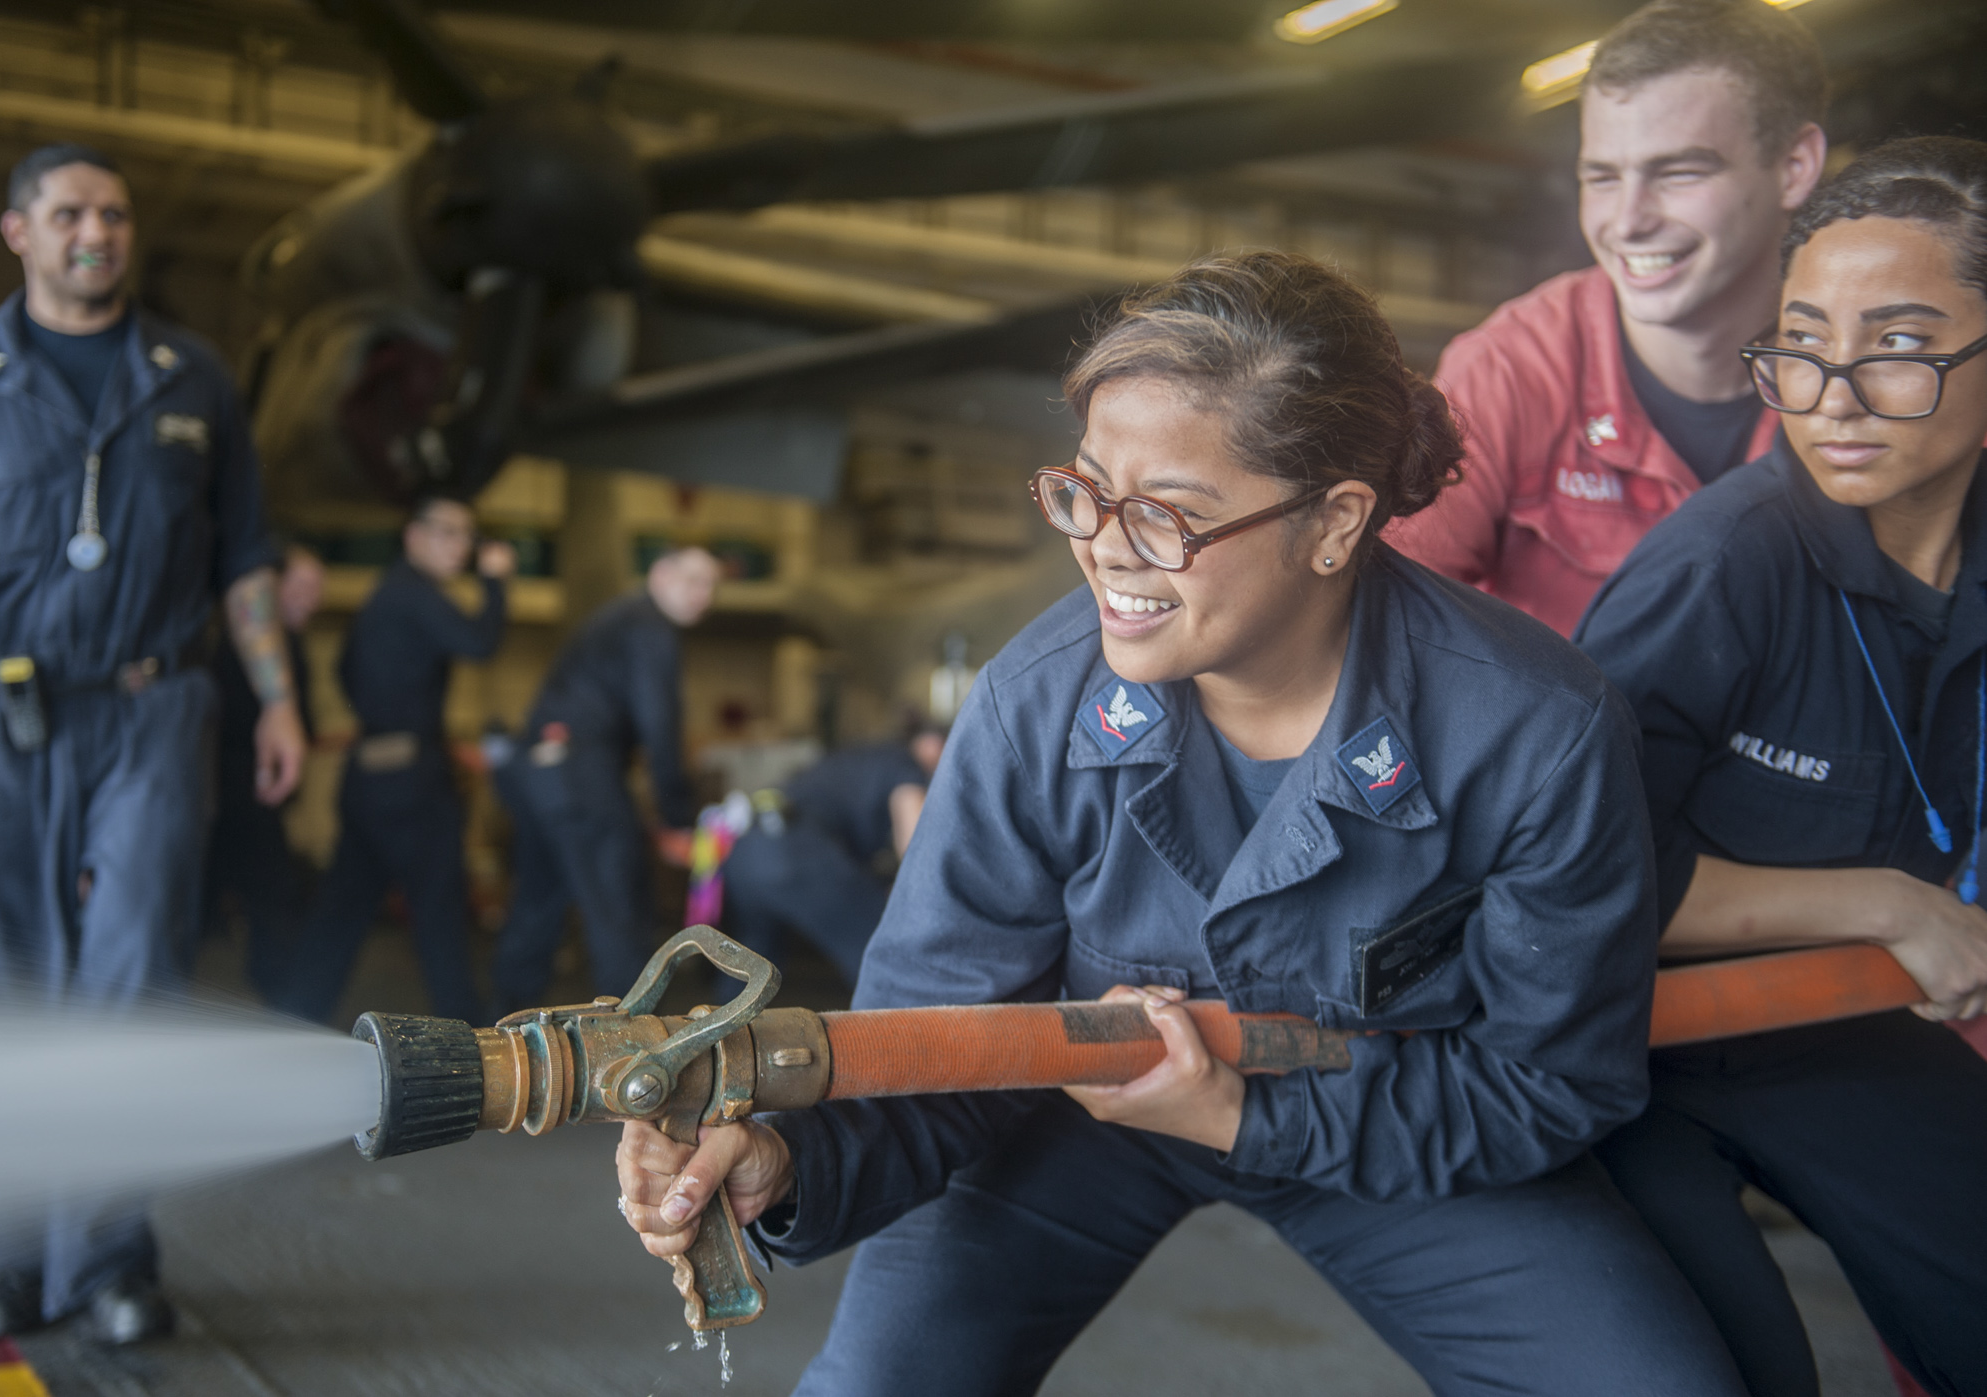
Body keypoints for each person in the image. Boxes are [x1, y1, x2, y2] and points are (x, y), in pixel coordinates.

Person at [615, 252, 1748, 1397]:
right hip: (1073, 1114)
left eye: (1167, 513)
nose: (1106, 545)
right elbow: (932, 1037)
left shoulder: (1535, 730)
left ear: (1335, 521)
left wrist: (1245, 1114)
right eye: (1087, 490)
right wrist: (782, 1157)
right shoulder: (1034, 705)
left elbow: (1548, 1079)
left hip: (1382, 1116)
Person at [1573, 137, 1987, 1397]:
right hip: (1619, 1056)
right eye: (1801, 342)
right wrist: (1891, 903)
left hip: (1835, 1025)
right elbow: (1576, 875)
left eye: (1902, 346)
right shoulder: (1721, 565)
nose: (1834, 393)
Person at [0, 144, 302, 1343]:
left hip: (154, 710)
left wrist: (276, 698)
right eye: (69, 211)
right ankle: (9, 1255)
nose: (96, 230)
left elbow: (243, 558)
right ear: (19, 231)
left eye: (114, 213)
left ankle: (110, 1257)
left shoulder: (193, 375)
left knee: (129, 978)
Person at [1387, 0, 1827, 636]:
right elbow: (1392, 629)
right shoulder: (1511, 368)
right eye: (1603, 177)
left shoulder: (1874, 374)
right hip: (1573, 736)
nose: (1626, 221)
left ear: (1794, 167)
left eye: (1678, 172)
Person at [280, 497, 511, 1025]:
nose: (461, 546)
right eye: (448, 532)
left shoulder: (385, 595)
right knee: (439, 917)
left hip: (367, 774)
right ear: (413, 536)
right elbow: (479, 642)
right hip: (411, 781)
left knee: (340, 915)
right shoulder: (416, 593)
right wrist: (496, 581)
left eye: (467, 536)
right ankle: (478, 1052)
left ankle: (294, 1021)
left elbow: (343, 668)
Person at [489, 546, 715, 1010]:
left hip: (539, 775)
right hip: (581, 776)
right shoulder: (650, 625)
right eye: (693, 581)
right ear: (660, 573)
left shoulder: (621, 618)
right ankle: (634, 1052)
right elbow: (660, 723)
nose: (703, 596)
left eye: (711, 586)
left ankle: (497, 1039)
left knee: (538, 905)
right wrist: (678, 815)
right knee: (619, 912)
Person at [716, 724, 945, 992]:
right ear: (931, 745)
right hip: (795, 851)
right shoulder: (906, 765)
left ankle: (714, 1032)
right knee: (885, 956)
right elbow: (915, 844)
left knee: (748, 973)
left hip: (744, 848)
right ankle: (902, 1033)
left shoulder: (857, 755)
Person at [203, 544, 324, 1005]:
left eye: (317, 591)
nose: (311, 600)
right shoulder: (250, 646)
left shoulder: (289, 641)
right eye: (304, 587)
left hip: (254, 795)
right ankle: (280, 1002)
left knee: (253, 899)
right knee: (271, 899)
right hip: (240, 792)